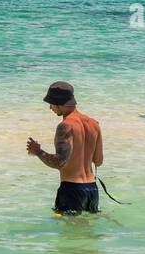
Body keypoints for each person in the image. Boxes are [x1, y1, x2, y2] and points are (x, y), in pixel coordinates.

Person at [26, 81, 104, 215]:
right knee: (86, 233)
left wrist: (38, 152)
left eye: (51, 103)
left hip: (72, 189)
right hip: (92, 190)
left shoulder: (66, 125)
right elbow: (98, 161)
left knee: (67, 233)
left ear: (58, 103)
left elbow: (60, 162)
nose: (51, 108)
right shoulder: (94, 124)